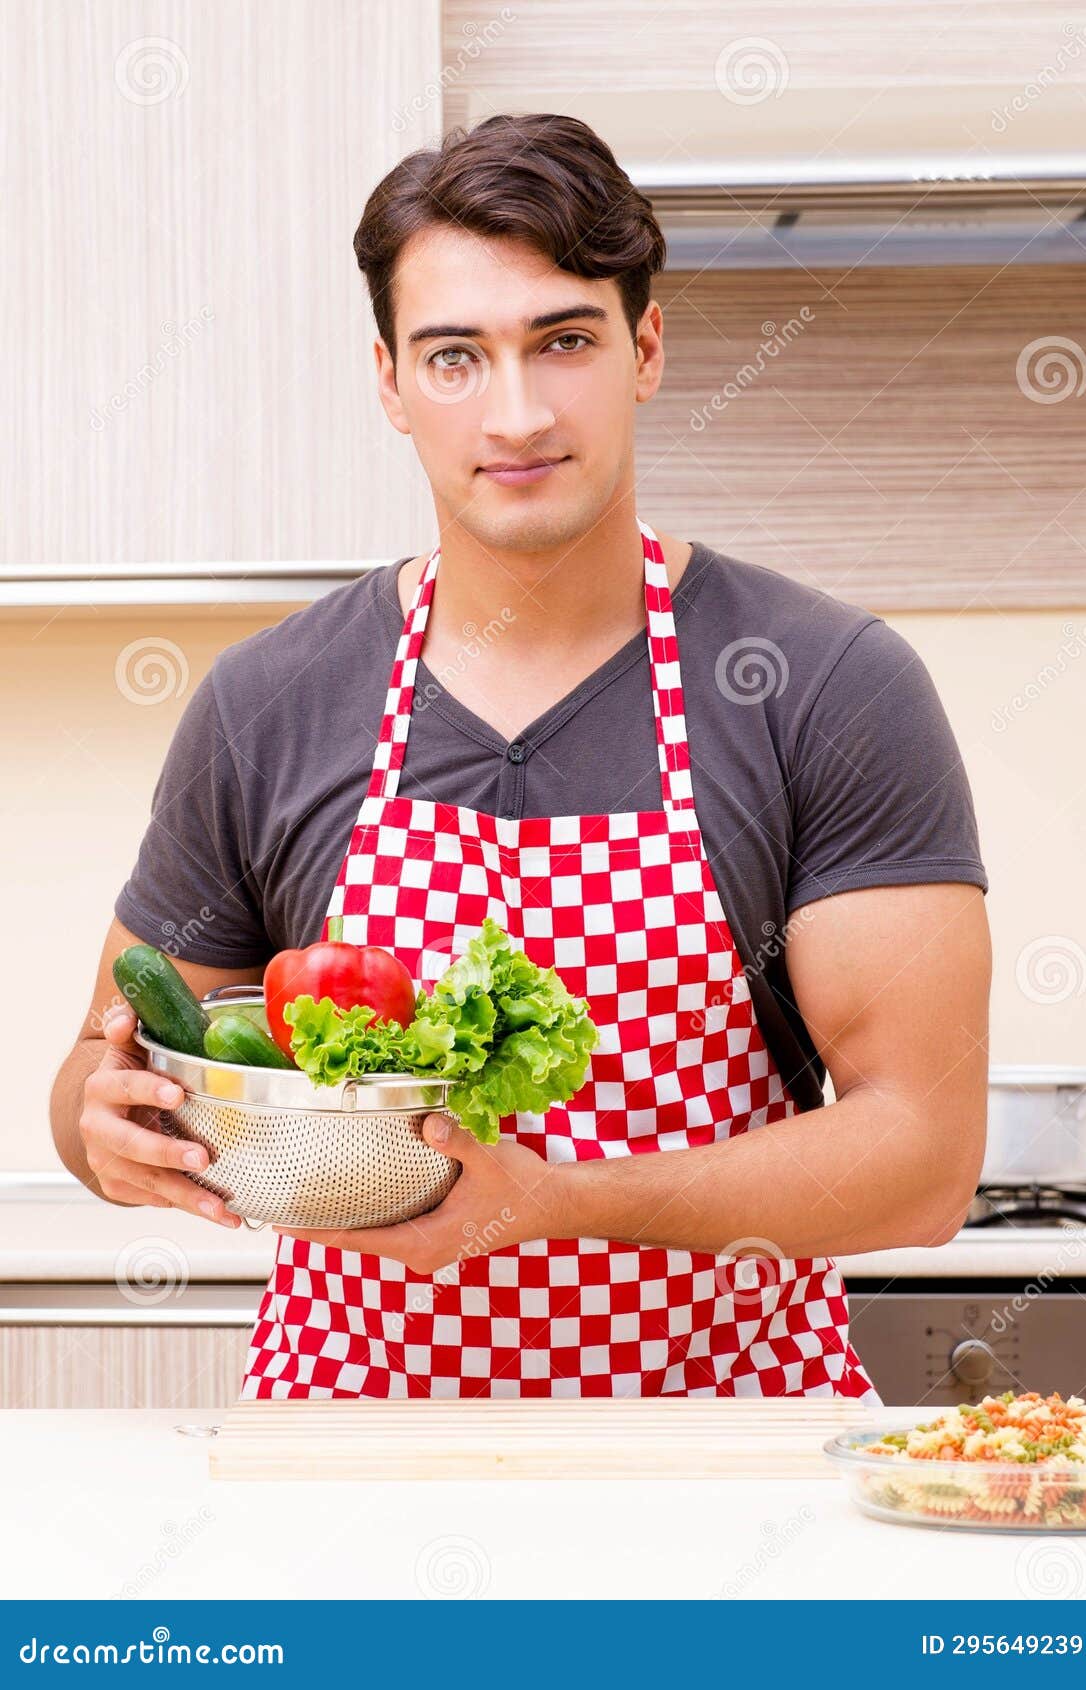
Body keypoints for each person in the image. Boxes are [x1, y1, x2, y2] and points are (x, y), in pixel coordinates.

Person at [52, 113, 991, 1402]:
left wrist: (552, 1203)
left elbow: (925, 1158)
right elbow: (93, 1074)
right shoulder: (272, 700)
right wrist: (103, 1133)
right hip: (355, 1459)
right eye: (454, 357)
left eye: (563, 341)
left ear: (645, 349)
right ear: (388, 381)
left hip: (724, 1467)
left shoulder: (822, 684)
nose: (517, 412)